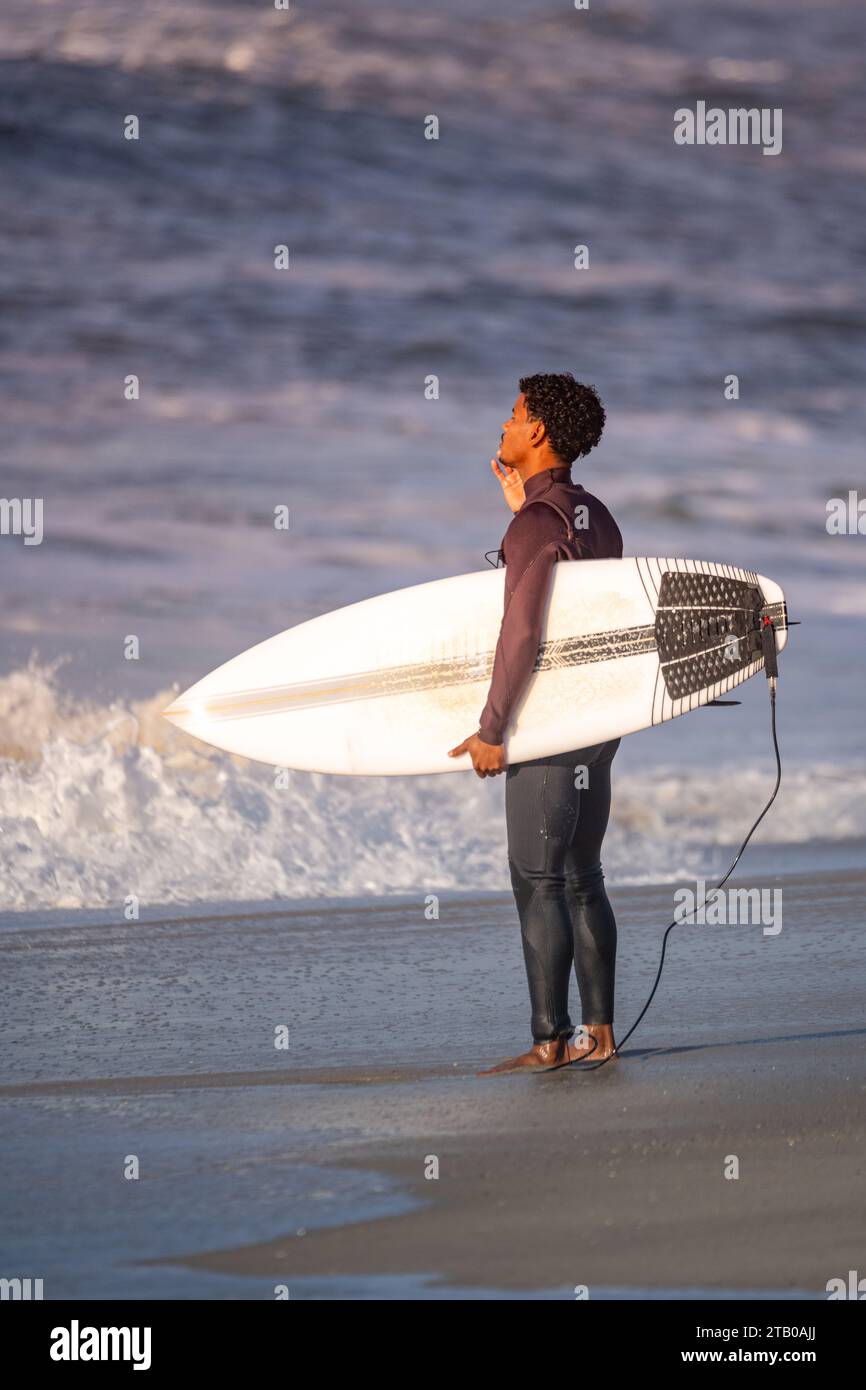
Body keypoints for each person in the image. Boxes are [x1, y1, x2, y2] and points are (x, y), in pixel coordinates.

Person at [448, 374, 623, 1075]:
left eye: (514, 415)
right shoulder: (594, 516)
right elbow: (586, 617)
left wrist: (492, 727)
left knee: (537, 879)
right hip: (601, 719)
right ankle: (600, 1034)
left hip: (549, 725)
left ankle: (549, 1042)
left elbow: (521, 631)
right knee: (583, 874)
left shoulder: (536, 526)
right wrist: (526, 510)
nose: (504, 425)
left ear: (540, 431)